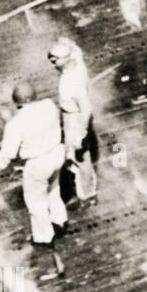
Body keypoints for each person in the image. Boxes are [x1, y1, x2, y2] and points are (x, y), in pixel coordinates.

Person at [0, 83, 68, 246]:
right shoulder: (49, 106)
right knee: (54, 190)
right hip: (57, 154)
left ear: (17, 102)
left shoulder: (15, 124)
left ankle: (44, 238)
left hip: (37, 164)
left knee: (36, 202)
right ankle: (60, 220)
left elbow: (8, 153)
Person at [49, 38, 97, 203]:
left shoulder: (73, 83)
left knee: (80, 157)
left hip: (75, 119)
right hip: (71, 115)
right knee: (76, 154)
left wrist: (81, 133)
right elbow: (75, 47)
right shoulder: (77, 59)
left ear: (66, 59)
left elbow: (86, 108)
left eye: (55, 59)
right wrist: (64, 41)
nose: (52, 61)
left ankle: (88, 194)